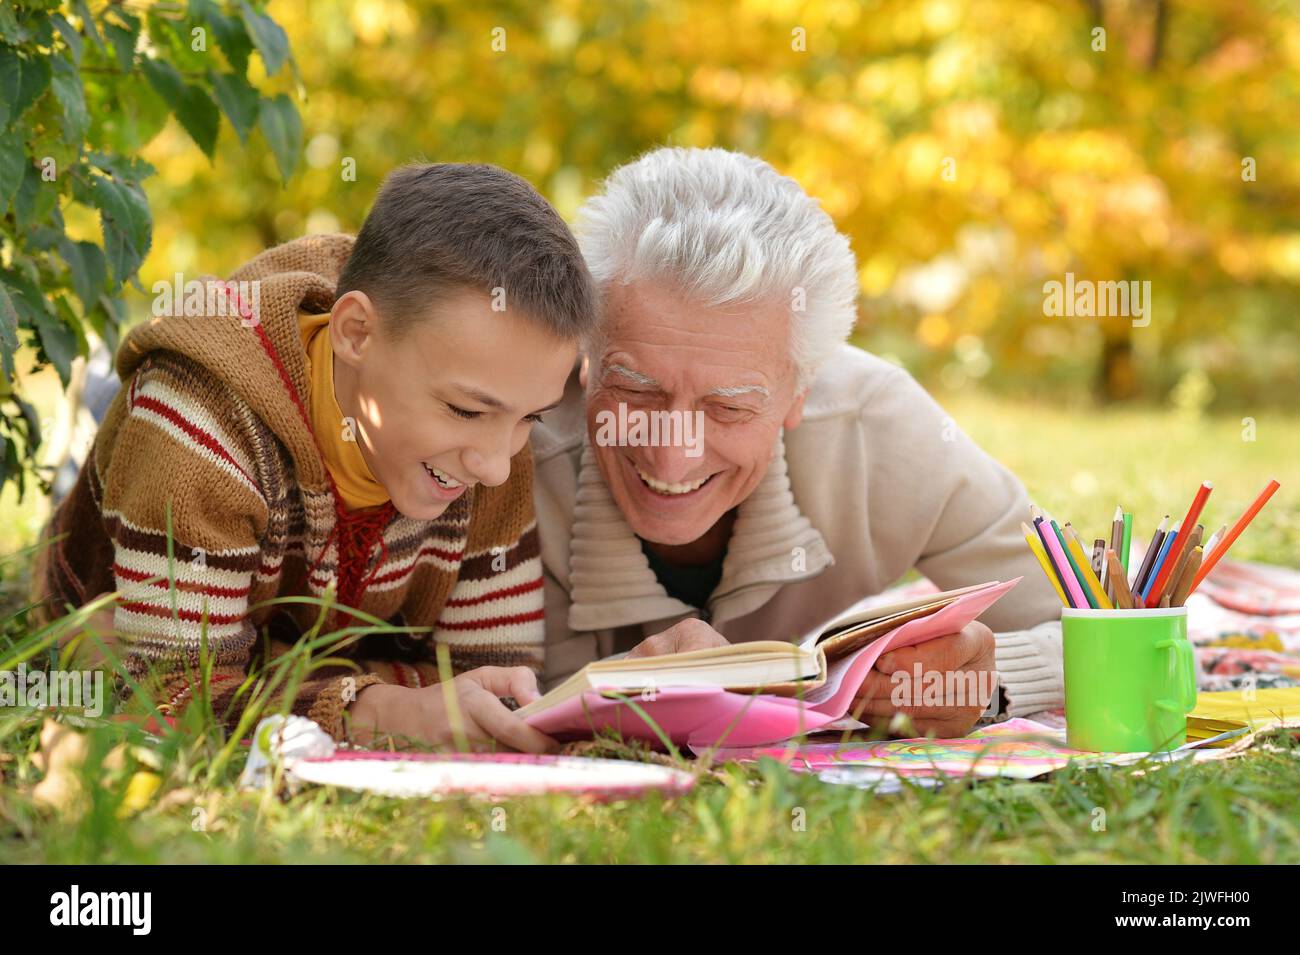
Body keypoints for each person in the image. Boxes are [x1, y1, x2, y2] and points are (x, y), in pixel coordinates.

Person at [30, 162, 596, 751]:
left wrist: (288, 681)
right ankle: (93, 408)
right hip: (107, 596)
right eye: (464, 410)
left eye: (529, 418)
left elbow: (489, 686)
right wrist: (387, 708)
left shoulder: (489, 436)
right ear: (354, 333)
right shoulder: (198, 421)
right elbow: (167, 701)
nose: (497, 466)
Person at [531, 147, 1063, 738]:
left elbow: (1113, 623)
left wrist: (991, 684)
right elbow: (456, 688)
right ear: (585, 357)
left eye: (729, 407)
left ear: (802, 391)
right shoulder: (503, 444)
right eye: (635, 389)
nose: (671, 453)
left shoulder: (879, 430)